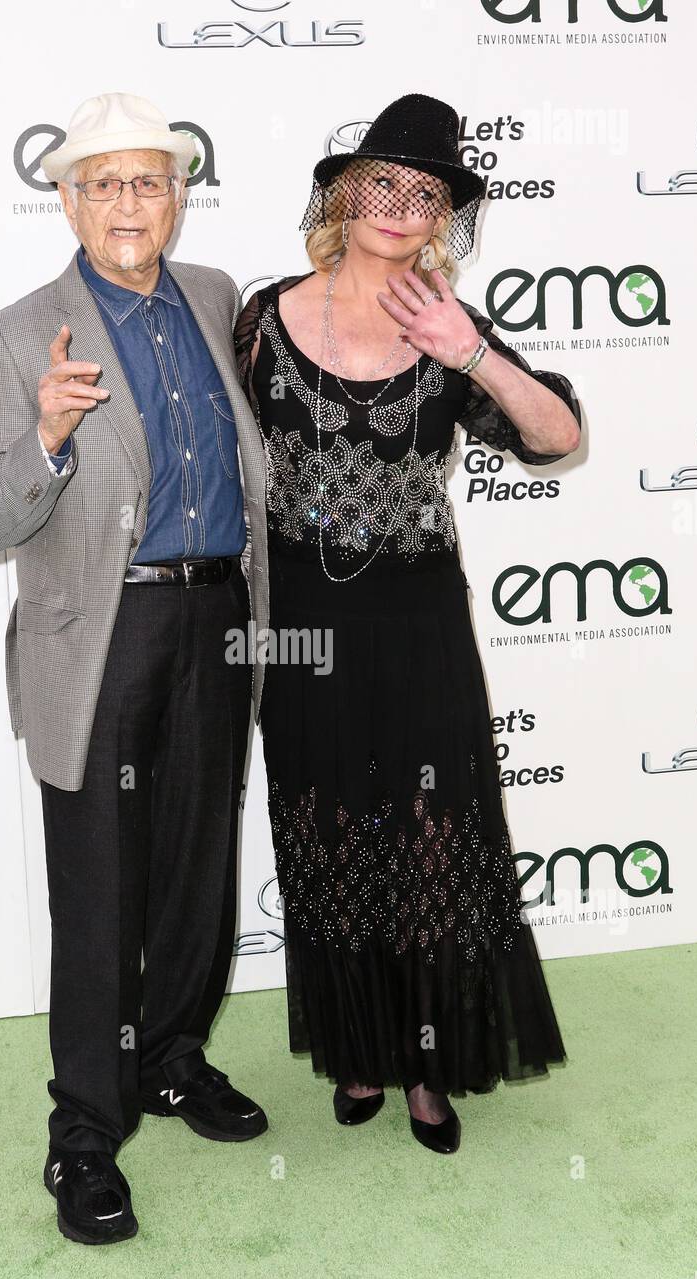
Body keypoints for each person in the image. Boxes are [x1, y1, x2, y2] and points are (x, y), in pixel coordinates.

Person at [234, 93, 582, 1155]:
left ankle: (429, 1066)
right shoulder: (260, 316)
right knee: (324, 830)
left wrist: (468, 353)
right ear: (344, 193)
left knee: (434, 842)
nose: (398, 204)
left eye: (423, 191)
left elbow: (557, 438)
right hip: (295, 618)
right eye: (381, 181)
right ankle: (356, 1049)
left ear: (442, 217)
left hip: (419, 613)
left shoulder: (449, 327)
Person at [0, 93, 271, 1244]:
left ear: (177, 195)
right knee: (99, 902)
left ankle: (176, 1061)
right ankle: (83, 1133)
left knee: (196, 867)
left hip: (218, 619)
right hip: (100, 639)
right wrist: (42, 434)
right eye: (104, 184)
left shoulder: (210, 296)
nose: (128, 204)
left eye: (148, 181)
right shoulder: (14, 331)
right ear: (67, 198)